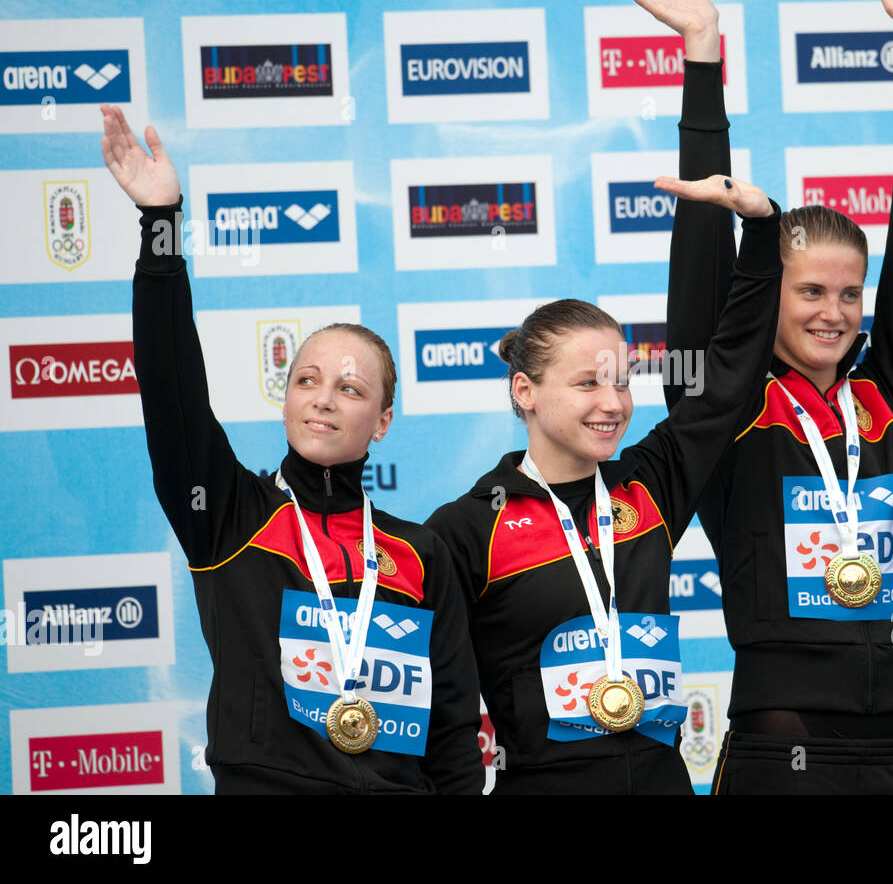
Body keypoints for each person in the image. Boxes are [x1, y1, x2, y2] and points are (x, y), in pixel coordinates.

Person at [613, 0, 893, 793]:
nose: (832, 312)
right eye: (808, 290)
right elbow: (702, 254)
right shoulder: (722, 401)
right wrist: (703, 55)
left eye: (848, 292)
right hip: (785, 749)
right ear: (769, 294)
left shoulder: (886, 393)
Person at [105, 104, 483, 794]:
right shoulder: (226, 511)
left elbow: (454, 729)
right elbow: (170, 387)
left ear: (384, 420)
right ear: (285, 399)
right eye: (305, 379)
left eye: (349, 386)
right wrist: (160, 225)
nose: (322, 397)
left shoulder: (420, 552)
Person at [426, 176, 783, 793]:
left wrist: (763, 231)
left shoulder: (650, 484)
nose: (613, 403)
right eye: (588, 383)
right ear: (525, 391)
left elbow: (729, 376)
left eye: (622, 381)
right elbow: (444, 703)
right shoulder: (465, 529)